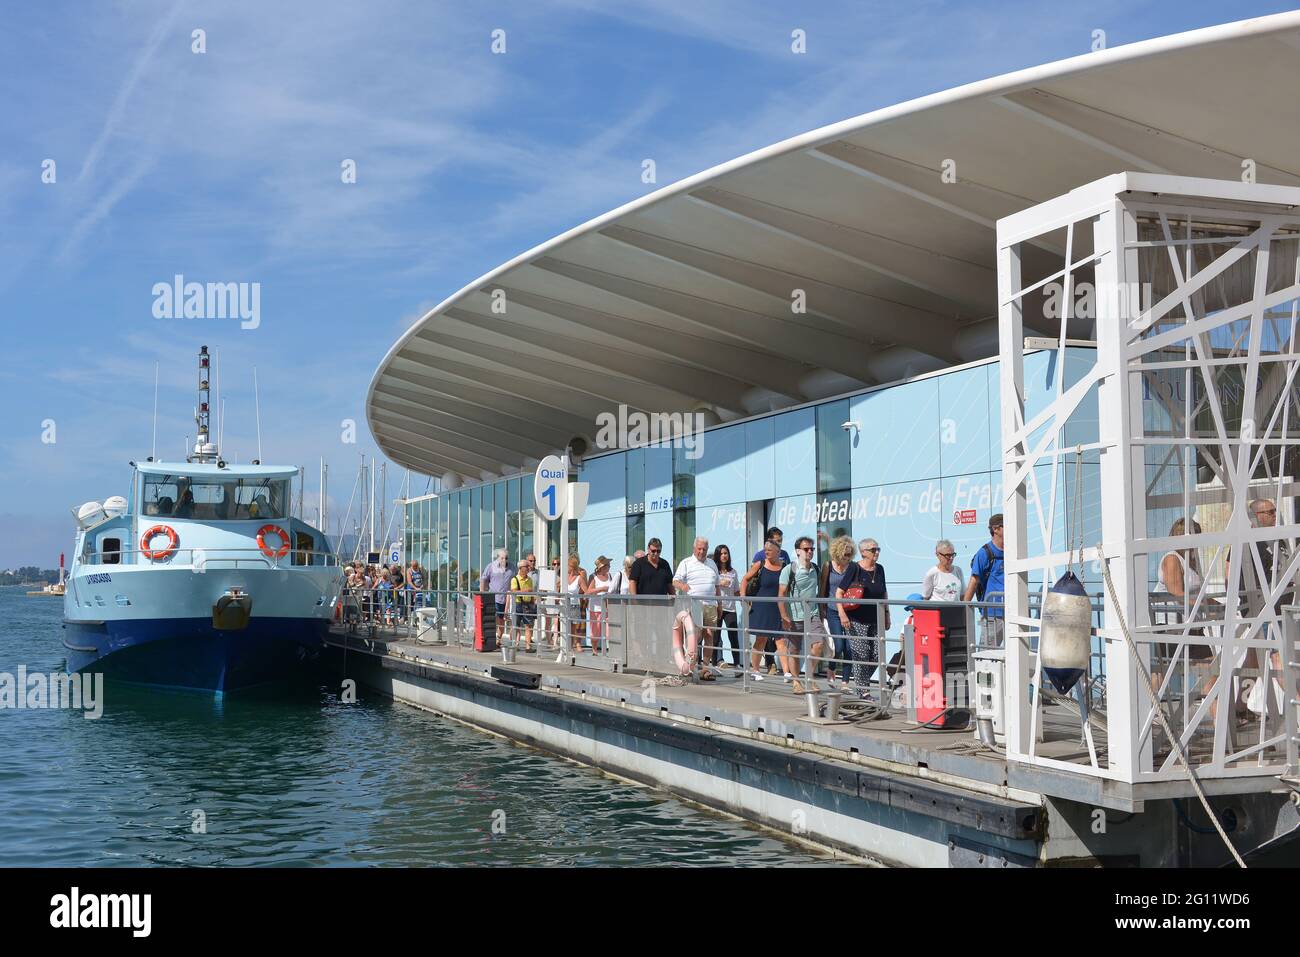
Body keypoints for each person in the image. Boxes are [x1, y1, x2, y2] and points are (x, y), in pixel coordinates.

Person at [836, 538, 890, 698]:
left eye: (878, 549)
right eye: (873, 550)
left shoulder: (879, 569)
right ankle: (863, 691)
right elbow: (839, 592)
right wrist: (842, 614)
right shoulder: (854, 568)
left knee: (876, 655)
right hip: (856, 619)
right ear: (863, 552)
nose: (877, 553)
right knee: (861, 654)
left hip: (876, 618)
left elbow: (884, 593)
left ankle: (861, 683)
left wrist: (887, 614)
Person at [779, 535, 823, 694]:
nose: (810, 551)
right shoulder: (789, 569)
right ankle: (796, 682)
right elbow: (781, 594)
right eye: (806, 549)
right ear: (798, 551)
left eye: (812, 549)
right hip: (794, 615)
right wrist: (784, 615)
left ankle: (809, 678)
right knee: (794, 651)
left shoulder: (816, 569)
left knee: (818, 645)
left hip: (813, 613)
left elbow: (819, 591)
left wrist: (822, 612)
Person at [672, 537, 720, 680]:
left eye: (704, 549)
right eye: (699, 548)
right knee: (695, 637)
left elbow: (717, 586)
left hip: (711, 605)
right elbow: (675, 580)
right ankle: (690, 667)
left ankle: (705, 669)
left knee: (710, 636)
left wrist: (720, 604)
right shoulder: (686, 563)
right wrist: (683, 586)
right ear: (694, 548)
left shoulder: (712, 564)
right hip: (695, 605)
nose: (701, 551)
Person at [743, 539, 786, 681]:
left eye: (769, 550)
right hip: (761, 607)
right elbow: (745, 579)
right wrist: (744, 600)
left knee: (780, 640)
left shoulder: (784, 566)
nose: (766, 552)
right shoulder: (760, 564)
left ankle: (787, 672)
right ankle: (755, 670)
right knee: (761, 639)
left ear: (777, 552)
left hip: (777, 607)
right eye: (765, 550)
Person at [962, 513, 1005, 648]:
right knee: (988, 654)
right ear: (996, 529)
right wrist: (963, 609)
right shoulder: (984, 553)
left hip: (1012, 610)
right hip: (992, 613)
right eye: (1006, 525)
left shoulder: (1013, 550)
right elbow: (974, 581)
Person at [819, 535, 855, 685]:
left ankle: (845, 682)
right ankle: (831, 667)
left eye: (850, 554)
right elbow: (822, 589)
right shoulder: (828, 565)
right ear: (838, 553)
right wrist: (822, 611)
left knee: (849, 647)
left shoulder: (852, 567)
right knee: (838, 645)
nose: (847, 557)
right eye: (845, 554)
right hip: (833, 610)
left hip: (849, 611)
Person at [713, 545, 741, 667]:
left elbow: (736, 591)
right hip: (717, 607)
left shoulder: (733, 572)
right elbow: (710, 586)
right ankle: (713, 665)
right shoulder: (713, 571)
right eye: (721, 554)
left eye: (726, 553)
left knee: (733, 637)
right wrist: (720, 582)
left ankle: (737, 665)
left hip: (730, 608)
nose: (724, 556)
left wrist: (743, 600)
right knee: (715, 637)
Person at [585, 556, 617, 654]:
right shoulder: (593, 576)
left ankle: (611, 651)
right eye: (607, 565)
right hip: (596, 608)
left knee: (609, 632)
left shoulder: (610, 576)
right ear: (602, 567)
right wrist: (602, 589)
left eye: (609, 565)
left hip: (607, 608)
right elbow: (588, 592)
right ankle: (594, 650)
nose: (609, 567)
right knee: (595, 632)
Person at [480, 548, 514, 636]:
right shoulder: (491, 566)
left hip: (506, 599)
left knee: (502, 620)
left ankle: (498, 639)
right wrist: (482, 594)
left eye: (506, 558)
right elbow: (483, 579)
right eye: (502, 558)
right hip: (494, 598)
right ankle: (490, 637)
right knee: (493, 619)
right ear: (498, 557)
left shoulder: (512, 567)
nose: (504, 560)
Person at [510, 557, 537, 652]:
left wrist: (533, 601)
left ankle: (528, 646)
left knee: (528, 625)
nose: (528, 568)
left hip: (528, 604)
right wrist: (525, 591)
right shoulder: (514, 579)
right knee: (516, 625)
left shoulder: (529, 579)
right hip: (518, 604)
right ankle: (514, 643)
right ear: (521, 568)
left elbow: (532, 591)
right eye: (526, 566)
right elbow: (513, 591)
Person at [564, 556, 588, 655]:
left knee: (575, 626)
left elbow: (586, 591)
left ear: (572, 566)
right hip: (565, 604)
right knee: (566, 625)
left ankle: (576, 643)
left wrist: (585, 601)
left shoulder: (579, 578)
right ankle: (568, 645)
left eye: (567, 566)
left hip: (574, 604)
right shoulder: (564, 577)